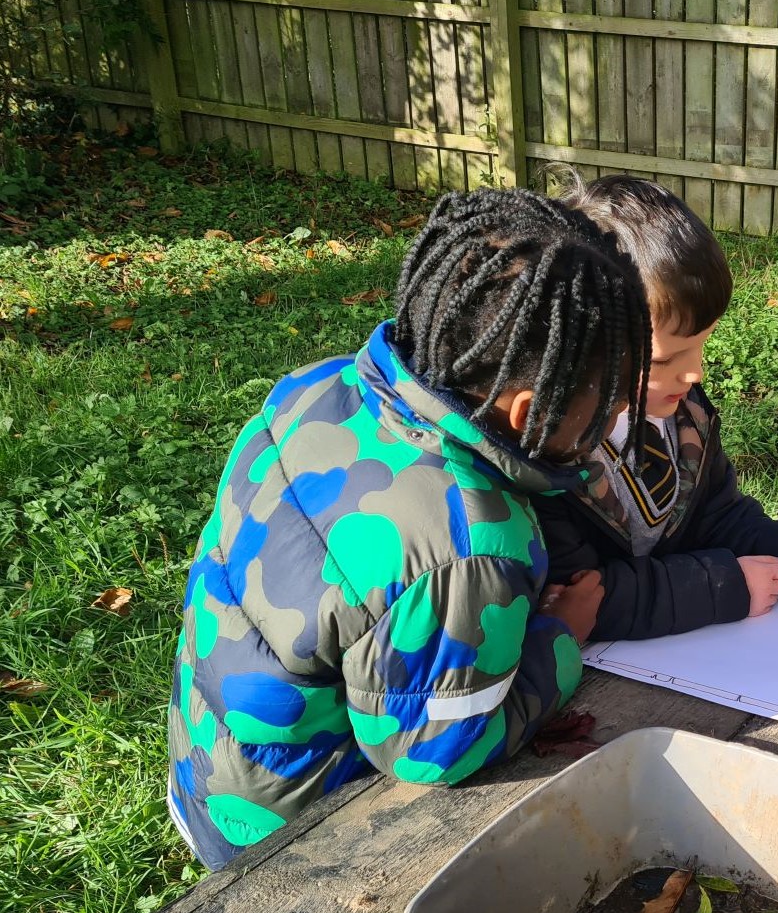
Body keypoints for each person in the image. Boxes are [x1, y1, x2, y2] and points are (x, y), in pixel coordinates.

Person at [167, 188, 649, 869]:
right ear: (523, 413)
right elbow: (433, 751)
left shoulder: (313, 386)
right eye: (603, 413)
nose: (609, 432)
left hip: (207, 771)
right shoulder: (470, 545)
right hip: (292, 838)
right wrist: (561, 638)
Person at [536, 174, 778, 640]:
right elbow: (578, 595)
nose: (695, 374)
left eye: (702, 346)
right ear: (582, 345)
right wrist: (722, 587)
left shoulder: (684, 416)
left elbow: (720, 517)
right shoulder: (548, 456)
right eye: (665, 358)